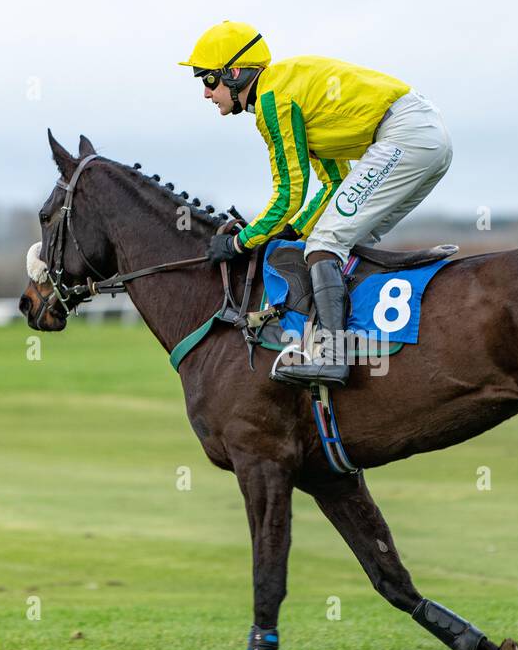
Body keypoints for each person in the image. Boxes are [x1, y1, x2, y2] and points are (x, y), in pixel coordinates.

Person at [180, 21, 453, 386]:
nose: (205, 94)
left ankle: (331, 357)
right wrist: (294, 230)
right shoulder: (288, 88)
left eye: (208, 80)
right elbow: (333, 183)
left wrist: (240, 242)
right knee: (343, 236)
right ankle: (364, 343)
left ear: (233, 73)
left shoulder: (272, 101)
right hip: (423, 135)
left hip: (406, 135)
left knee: (325, 242)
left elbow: (289, 192)